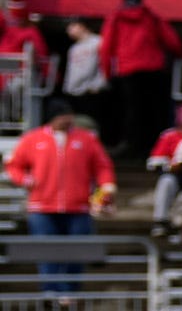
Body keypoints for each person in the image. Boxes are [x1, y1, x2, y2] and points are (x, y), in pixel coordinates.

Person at [6, 113, 113, 295]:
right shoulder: (33, 138)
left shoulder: (86, 139)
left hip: (78, 206)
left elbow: (102, 166)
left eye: (69, 116)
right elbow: (14, 165)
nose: (66, 120)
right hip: (42, 206)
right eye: (61, 116)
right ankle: (50, 289)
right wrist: (25, 180)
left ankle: (70, 290)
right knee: (46, 251)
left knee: (76, 252)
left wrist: (107, 187)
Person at [103, 0, 179, 163]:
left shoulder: (115, 18)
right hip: (153, 69)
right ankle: (153, 147)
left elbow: (106, 47)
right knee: (153, 110)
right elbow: (172, 41)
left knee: (132, 110)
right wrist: (176, 59)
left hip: (127, 70)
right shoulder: (151, 17)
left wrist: (107, 73)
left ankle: (131, 146)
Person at [51, 18, 106, 139]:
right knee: (79, 123)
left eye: (71, 27)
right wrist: (67, 88)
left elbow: (105, 65)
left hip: (91, 91)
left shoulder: (98, 42)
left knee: (92, 123)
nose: (68, 31)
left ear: (82, 26)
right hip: (74, 93)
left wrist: (98, 85)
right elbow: (71, 71)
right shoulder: (74, 48)